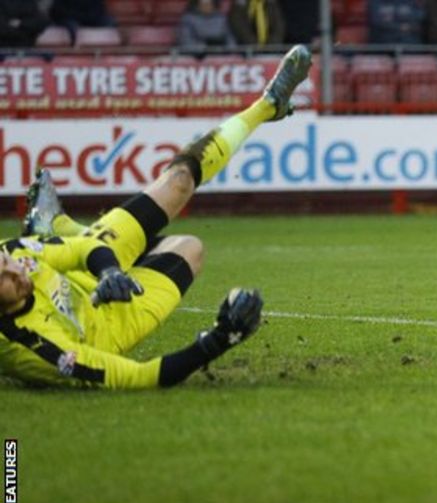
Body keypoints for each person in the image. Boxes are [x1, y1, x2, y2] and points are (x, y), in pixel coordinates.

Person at [0, 45, 312, 389]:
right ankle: (56, 228)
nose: (16, 269)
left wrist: (109, 270)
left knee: (178, 182)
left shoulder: (13, 255)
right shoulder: (32, 348)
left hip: (97, 276)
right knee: (189, 248)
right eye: (5, 278)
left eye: (6, 262)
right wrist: (220, 340)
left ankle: (266, 105)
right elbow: (135, 376)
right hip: (117, 322)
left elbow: (79, 254)